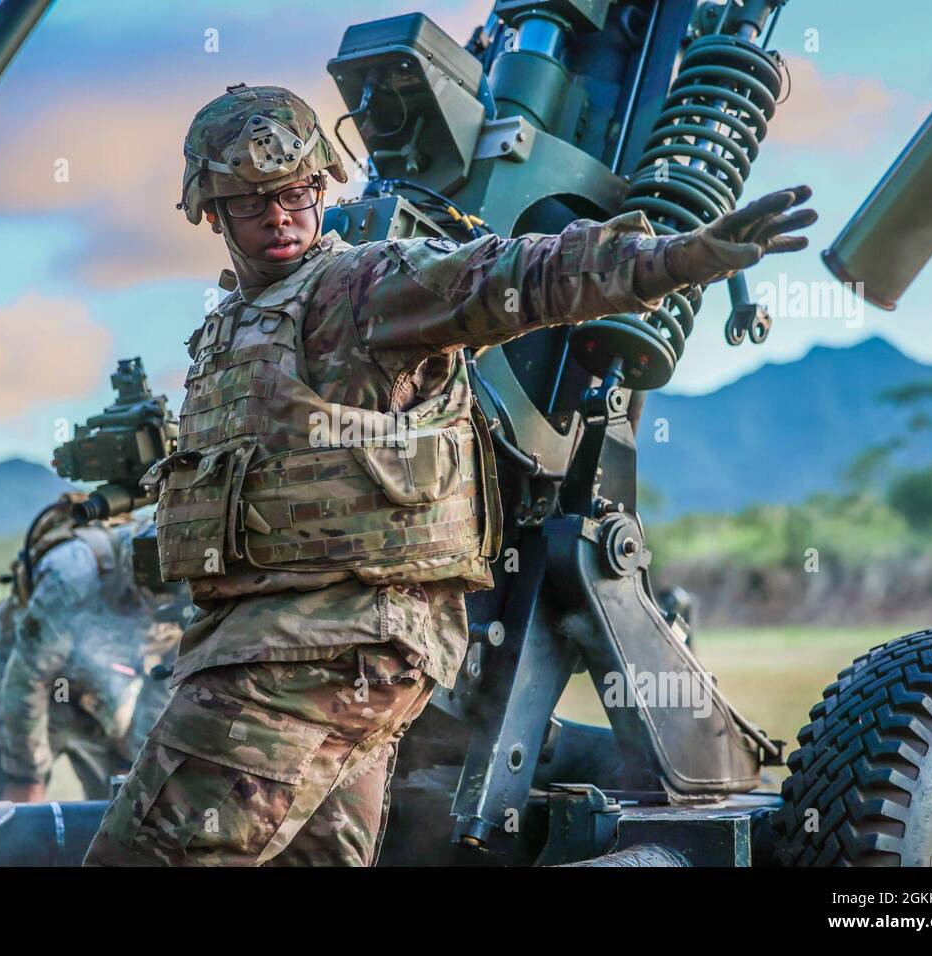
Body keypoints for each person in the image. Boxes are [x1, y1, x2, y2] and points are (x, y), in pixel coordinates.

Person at [84, 83, 816, 866]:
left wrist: (678, 257)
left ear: (322, 185)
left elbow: (512, 278)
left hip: (313, 651)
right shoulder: (229, 326)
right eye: (251, 199)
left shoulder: (360, 287)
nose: (280, 215)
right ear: (209, 208)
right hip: (312, 649)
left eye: (297, 191)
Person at [0, 498, 192, 802]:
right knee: (12, 808)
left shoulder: (196, 590)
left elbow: (163, 682)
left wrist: (137, 762)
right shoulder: (73, 575)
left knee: (122, 802)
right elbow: (27, 679)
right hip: (18, 675)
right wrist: (26, 773)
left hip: (98, 689)